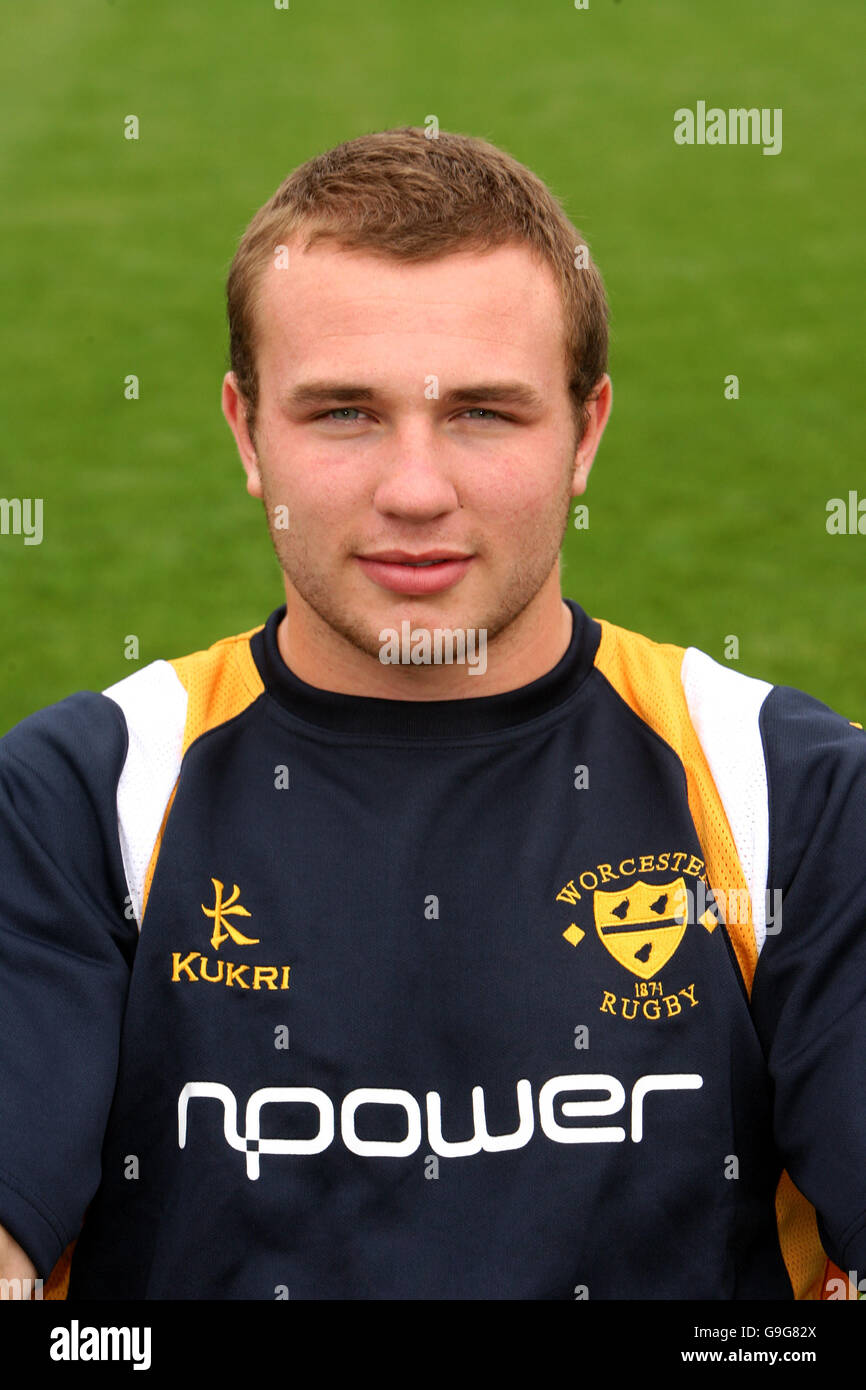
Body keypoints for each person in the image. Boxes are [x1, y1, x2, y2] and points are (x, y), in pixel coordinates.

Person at [1, 126, 864, 1302]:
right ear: (247, 431)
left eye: (483, 414)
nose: (415, 491)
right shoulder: (79, 798)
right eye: (344, 414)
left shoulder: (786, 796)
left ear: (586, 431)